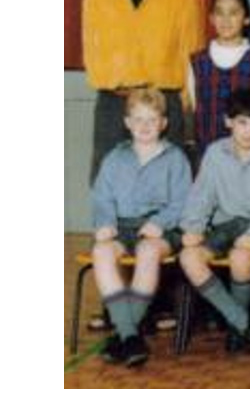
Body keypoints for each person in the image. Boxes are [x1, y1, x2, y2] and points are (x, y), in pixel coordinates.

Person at [82, 0, 200, 179]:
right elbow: (93, 55)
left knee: (168, 184)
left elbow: (189, 59)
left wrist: (184, 117)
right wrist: (125, 89)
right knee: (106, 182)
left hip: (164, 102)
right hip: (115, 102)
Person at [178, 88, 250, 358]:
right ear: (228, 122)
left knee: (241, 258)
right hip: (225, 227)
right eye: (242, 122)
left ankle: (237, 330)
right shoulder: (216, 152)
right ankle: (243, 324)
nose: (249, 131)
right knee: (189, 257)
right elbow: (202, 195)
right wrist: (192, 227)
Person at [90, 88, 191, 367]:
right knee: (101, 252)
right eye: (138, 119)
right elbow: (101, 197)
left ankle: (123, 335)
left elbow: (184, 201)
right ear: (127, 123)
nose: (145, 126)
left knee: (147, 252)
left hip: (160, 228)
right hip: (122, 225)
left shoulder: (175, 159)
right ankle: (131, 337)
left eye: (151, 119)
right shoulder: (114, 158)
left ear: (163, 123)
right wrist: (105, 224)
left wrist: (160, 223)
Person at [186, 0, 250, 158]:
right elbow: (196, 109)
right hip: (207, 157)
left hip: (247, 157)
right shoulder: (196, 62)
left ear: (246, 19)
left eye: (233, 13)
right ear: (211, 19)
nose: (226, 20)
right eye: (219, 13)